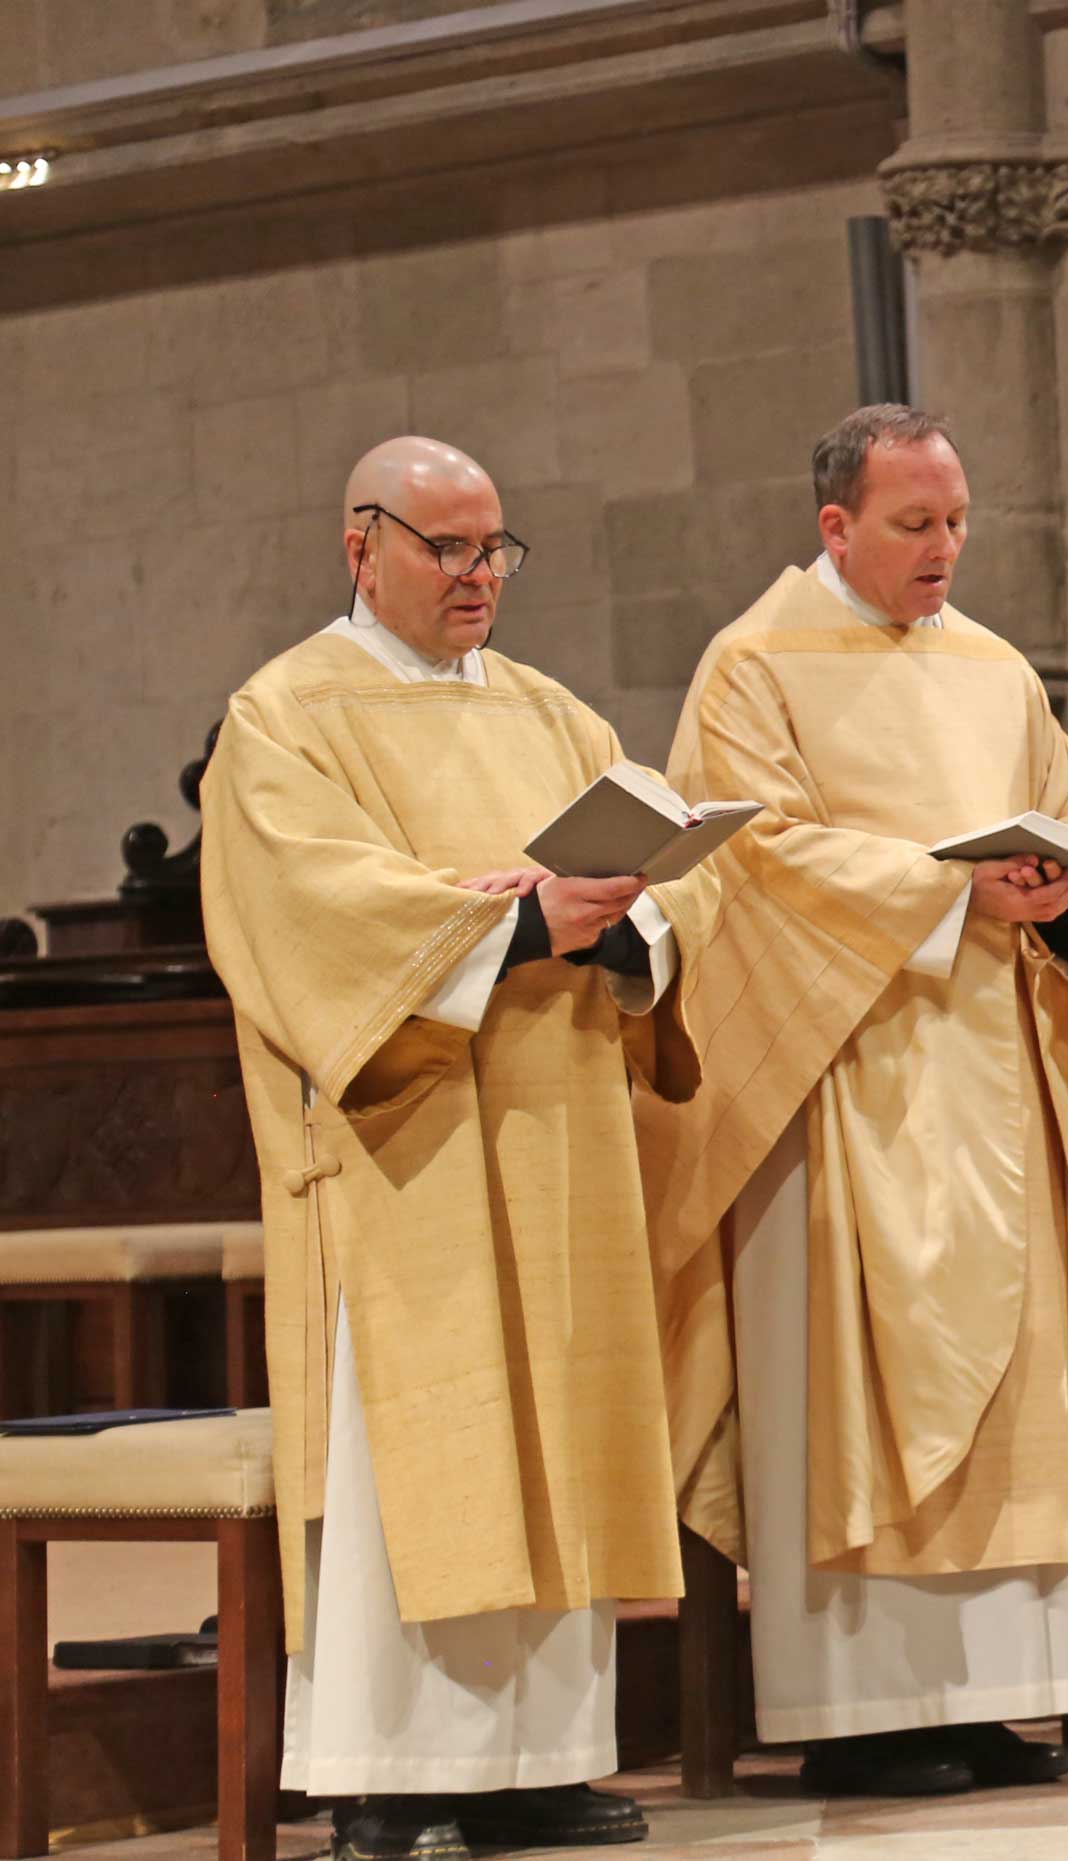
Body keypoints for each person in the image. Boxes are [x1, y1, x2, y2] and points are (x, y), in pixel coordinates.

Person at [202, 437, 704, 1861]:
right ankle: (396, 1772)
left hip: (558, 1133)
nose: (482, 577)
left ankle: (542, 1759)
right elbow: (307, 911)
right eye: (450, 548)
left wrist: (629, 918)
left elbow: (655, 887)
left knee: (559, 1433)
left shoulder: (554, 713)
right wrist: (510, 922)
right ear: (362, 545)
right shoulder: (286, 713)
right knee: (423, 1446)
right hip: (403, 1142)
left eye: (496, 550)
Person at [637, 406, 1068, 1796]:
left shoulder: (992, 666)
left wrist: (1060, 891)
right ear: (835, 526)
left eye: (958, 520)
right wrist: (940, 888)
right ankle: (869, 1710)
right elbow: (747, 862)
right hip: (838, 1078)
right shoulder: (752, 665)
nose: (945, 549)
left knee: (1002, 1375)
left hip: (992, 1061)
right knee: (864, 1377)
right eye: (915, 524)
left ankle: (991, 1698)